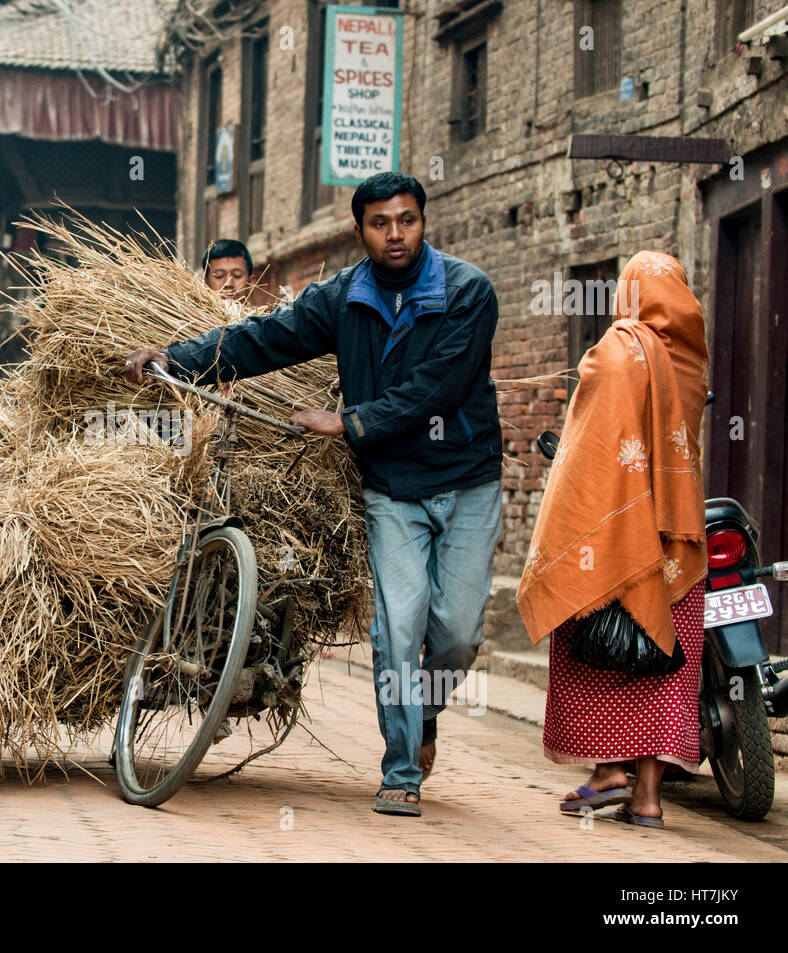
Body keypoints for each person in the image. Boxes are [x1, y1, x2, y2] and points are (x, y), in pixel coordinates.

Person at [125, 171, 502, 818]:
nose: (395, 234)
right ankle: (402, 767)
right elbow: (264, 338)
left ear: (423, 222)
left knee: (456, 633)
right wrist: (178, 359)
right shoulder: (342, 297)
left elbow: (437, 388)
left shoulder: (468, 292)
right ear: (359, 231)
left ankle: (423, 712)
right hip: (391, 486)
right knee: (396, 629)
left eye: (407, 220)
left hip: (467, 478)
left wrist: (349, 422)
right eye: (381, 223)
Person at [517, 251, 708, 830]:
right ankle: (647, 800)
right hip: (678, 544)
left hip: (614, 541)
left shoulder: (615, 351)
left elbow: (588, 451)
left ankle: (606, 773)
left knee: (601, 658)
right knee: (665, 670)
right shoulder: (693, 364)